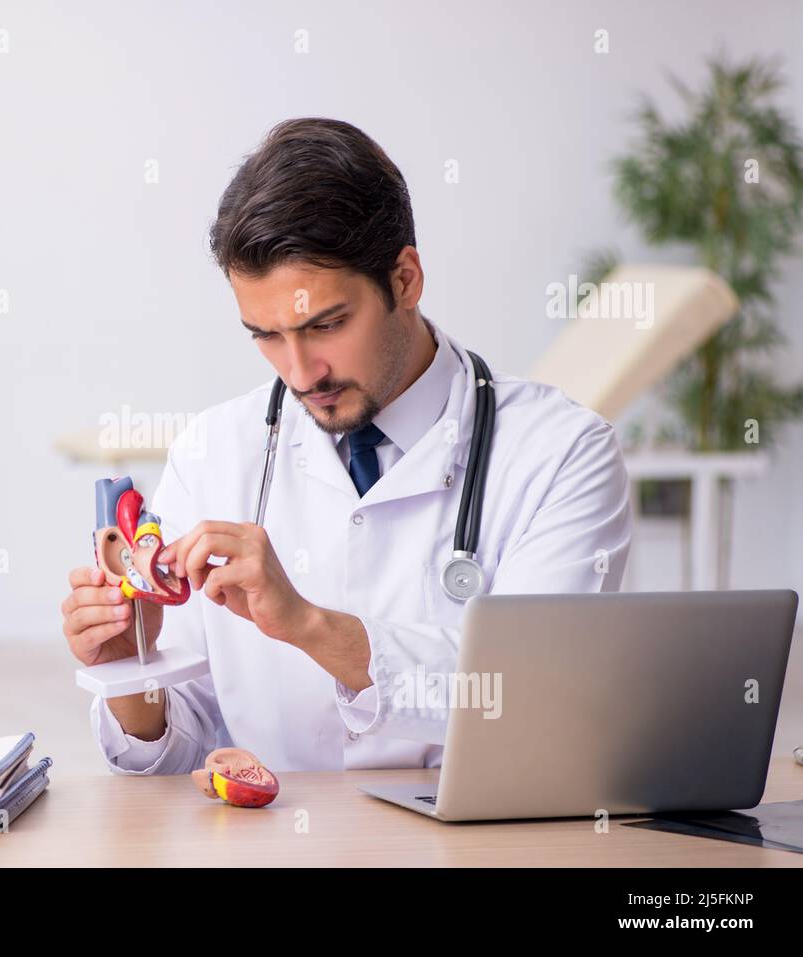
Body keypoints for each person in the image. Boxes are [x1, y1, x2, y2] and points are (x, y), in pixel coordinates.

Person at [60, 117, 632, 774]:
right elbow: (182, 742)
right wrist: (133, 667)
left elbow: (538, 696)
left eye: (326, 324)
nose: (301, 373)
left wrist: (308, 625)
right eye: (266, 336)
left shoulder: (561, 453)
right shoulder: (213, 450)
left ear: (406, 279)